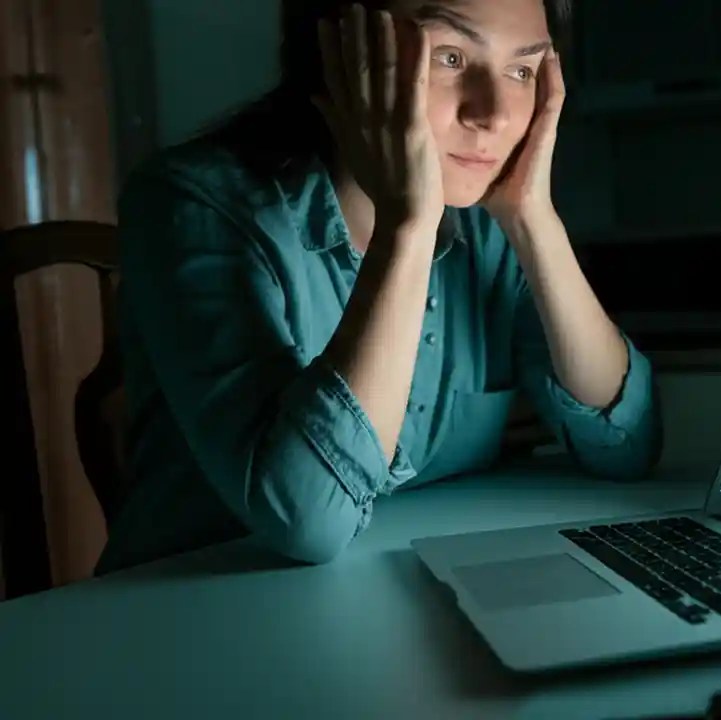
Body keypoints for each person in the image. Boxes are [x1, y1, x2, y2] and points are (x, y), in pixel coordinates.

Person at [95, 0, 660, 574]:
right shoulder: (192, 205)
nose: (493, 114)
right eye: (450, 56)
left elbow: (625, 448)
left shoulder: (487, 223)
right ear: (338, 54)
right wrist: (407, 229)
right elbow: (308, 521)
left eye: (522, 72)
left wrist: (534, 219)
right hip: (188, 612)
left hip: (389, 589)